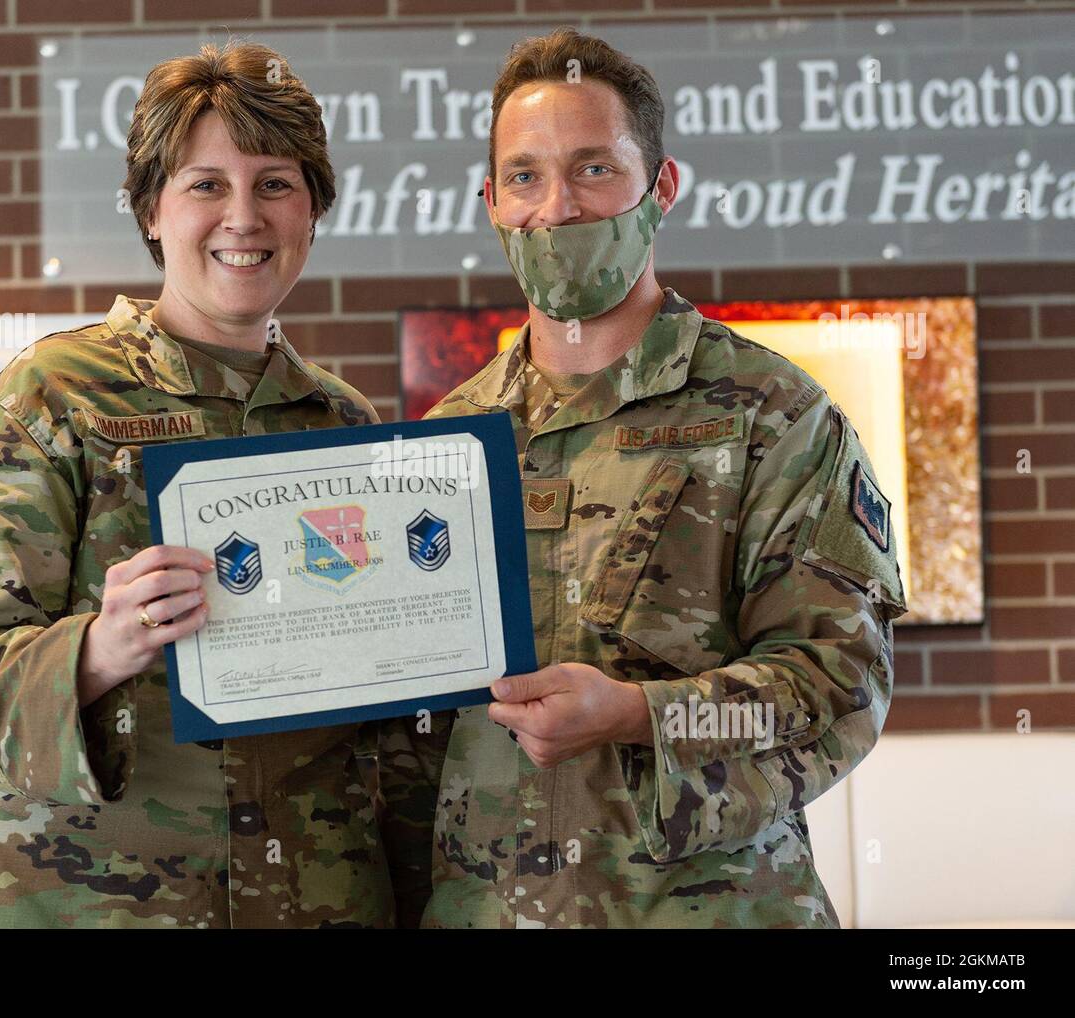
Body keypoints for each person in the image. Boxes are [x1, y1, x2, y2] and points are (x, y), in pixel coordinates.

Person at [383, 27, 908, 928]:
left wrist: (637, 714)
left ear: (660, 187)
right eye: (524, 176)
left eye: (594, 169)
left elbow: (837, 685)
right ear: (491, 203)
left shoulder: (773, 417)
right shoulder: (448, 443)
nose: (556, 208)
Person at [0, 41, 405, 928]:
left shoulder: (348, 429)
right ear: (151, 210)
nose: (242, 217)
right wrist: (99, 648)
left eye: (275, 183)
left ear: (314, 210)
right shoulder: (54, 396)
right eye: (206, 184)